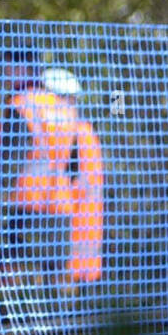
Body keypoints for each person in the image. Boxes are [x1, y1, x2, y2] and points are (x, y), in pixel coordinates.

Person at [0, 49, 78, 288]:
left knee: (13, 282)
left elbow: (6, 166)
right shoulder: (65, 109)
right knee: (54, 282)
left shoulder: (22, 106)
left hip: (23, 207)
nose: (5, 77)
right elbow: (74, 165)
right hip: (60, 207)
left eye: (8, 70)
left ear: (22, 69)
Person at [41, 68, 103, 285]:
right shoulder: (85, 131)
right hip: (84, 228)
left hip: (69, 222)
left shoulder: (73, 132)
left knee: (58, 288)